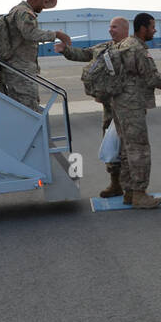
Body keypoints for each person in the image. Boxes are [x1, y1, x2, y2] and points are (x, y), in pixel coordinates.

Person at [58, 17, 129, 197]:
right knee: (110, 143)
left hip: (127, 105)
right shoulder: (103, 47)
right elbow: (83, 54)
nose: (110, 30)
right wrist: (65, 50)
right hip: (109, 105)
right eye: (109, 27)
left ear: (124, 28)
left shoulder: (131, 48)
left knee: (129, 145)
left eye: (114, 27)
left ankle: (132, 186)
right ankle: (115, 183)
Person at [111, 12, 161, 209]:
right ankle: (140, 194)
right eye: (152, 26)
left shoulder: (123, 44)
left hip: (119, 102)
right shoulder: (137, 48)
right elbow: (152, 77)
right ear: (143, 28)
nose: (155, 30)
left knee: (126, 148)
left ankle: (129, 192)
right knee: (139, 148)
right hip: (132, 104)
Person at [0, 0, 71, 109]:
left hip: (14, 72)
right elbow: (30, 33)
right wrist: (57, 34)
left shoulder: (16, 10)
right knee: (29, 111)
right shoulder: (24, 13)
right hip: (20, 74)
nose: (44, 6)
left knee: (19, 110)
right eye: (44, 2)